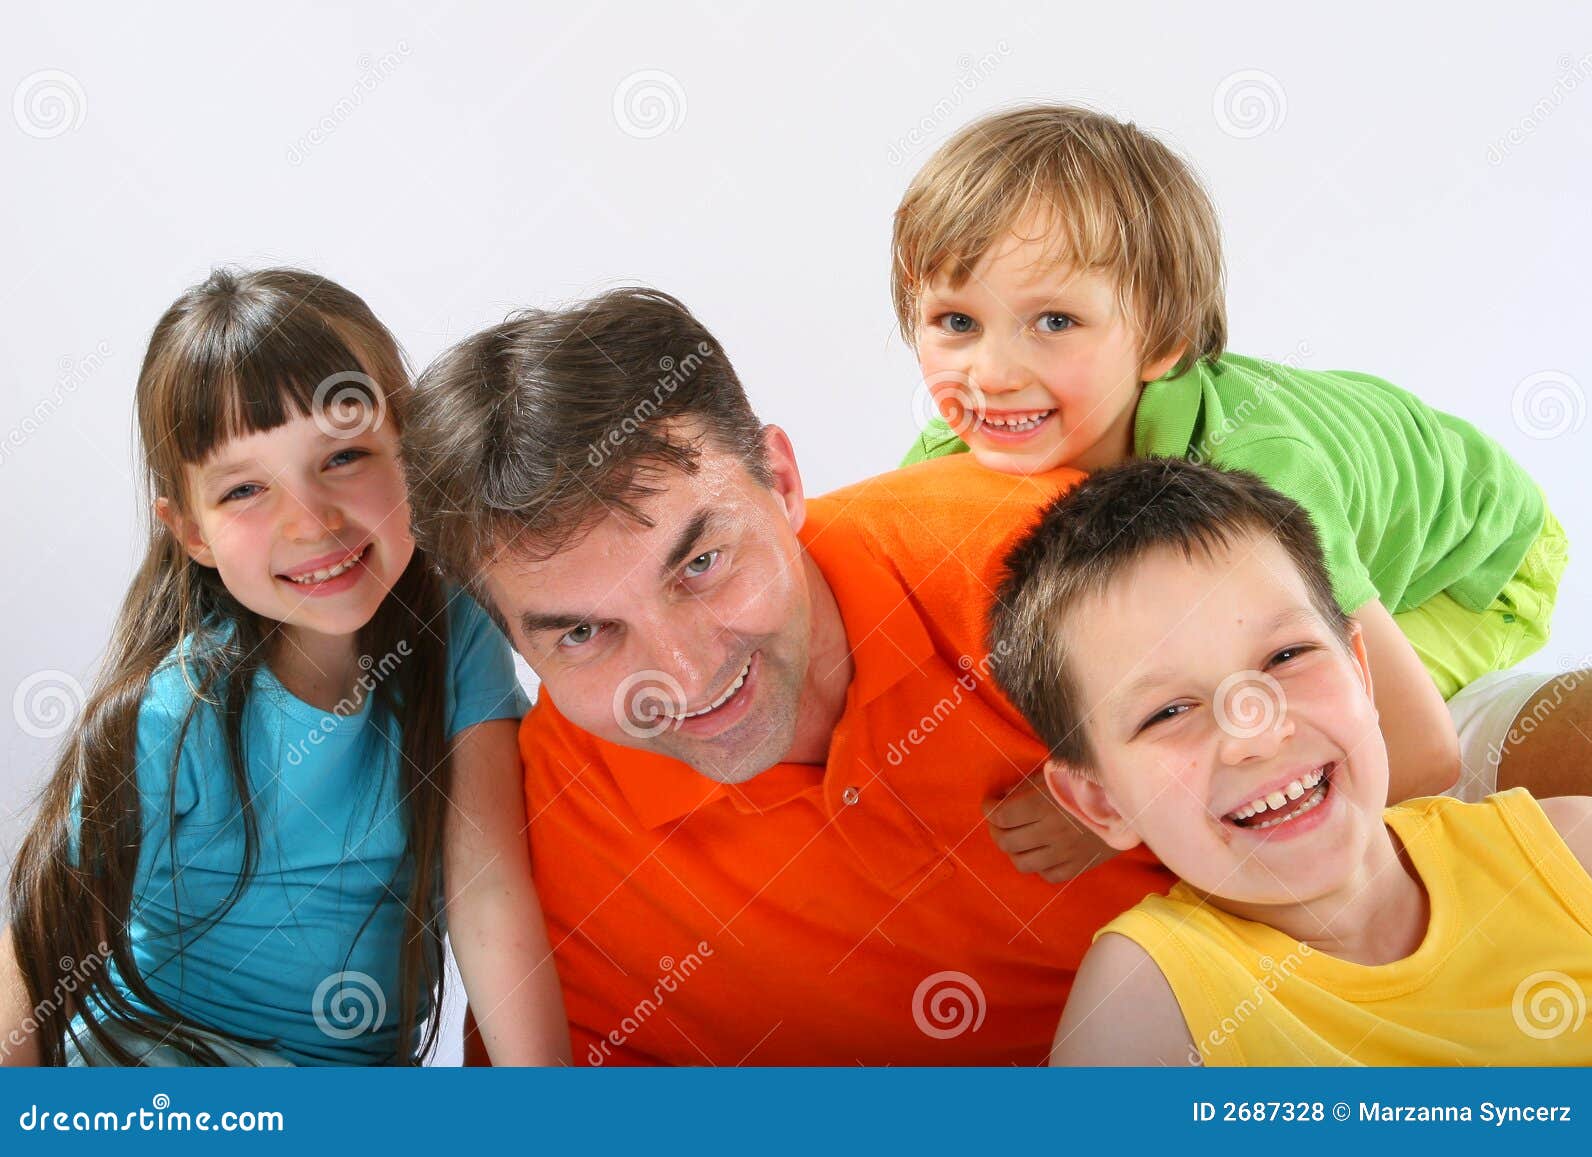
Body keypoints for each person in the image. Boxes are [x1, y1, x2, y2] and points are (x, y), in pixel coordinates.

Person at [396, 287, 1468, 1065]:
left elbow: (1382, 771)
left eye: (703, 562)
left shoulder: (1045, 568)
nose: (679, 673)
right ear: (514, 642)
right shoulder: (549, 852)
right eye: (584, 633)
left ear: (782, 478)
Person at [893, 103, 1586, 803]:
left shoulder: (1257, 475)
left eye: (1055, 321)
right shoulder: (946, 461)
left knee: (1302, 744)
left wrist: (1112, 816)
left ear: (1162, 342)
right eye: (957, 321)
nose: (992, 374)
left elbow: (1421, 749)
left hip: (1477, 566)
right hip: (1348, 455)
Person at [0, 269, 567, 1066]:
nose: (311, 521)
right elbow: (37, 952)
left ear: (413, 452)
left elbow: (489, 894)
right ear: (190, 531)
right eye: (244, 489)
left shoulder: (456, 635)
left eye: (344, 455)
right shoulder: (173, 712)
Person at [983, 456, 1592, 1065]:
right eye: (1168, 712)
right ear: (1101, 803)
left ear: (1360, 672)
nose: (1253, 731)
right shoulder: (1144, 1001)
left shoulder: (1573, 852)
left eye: (1285, 657)